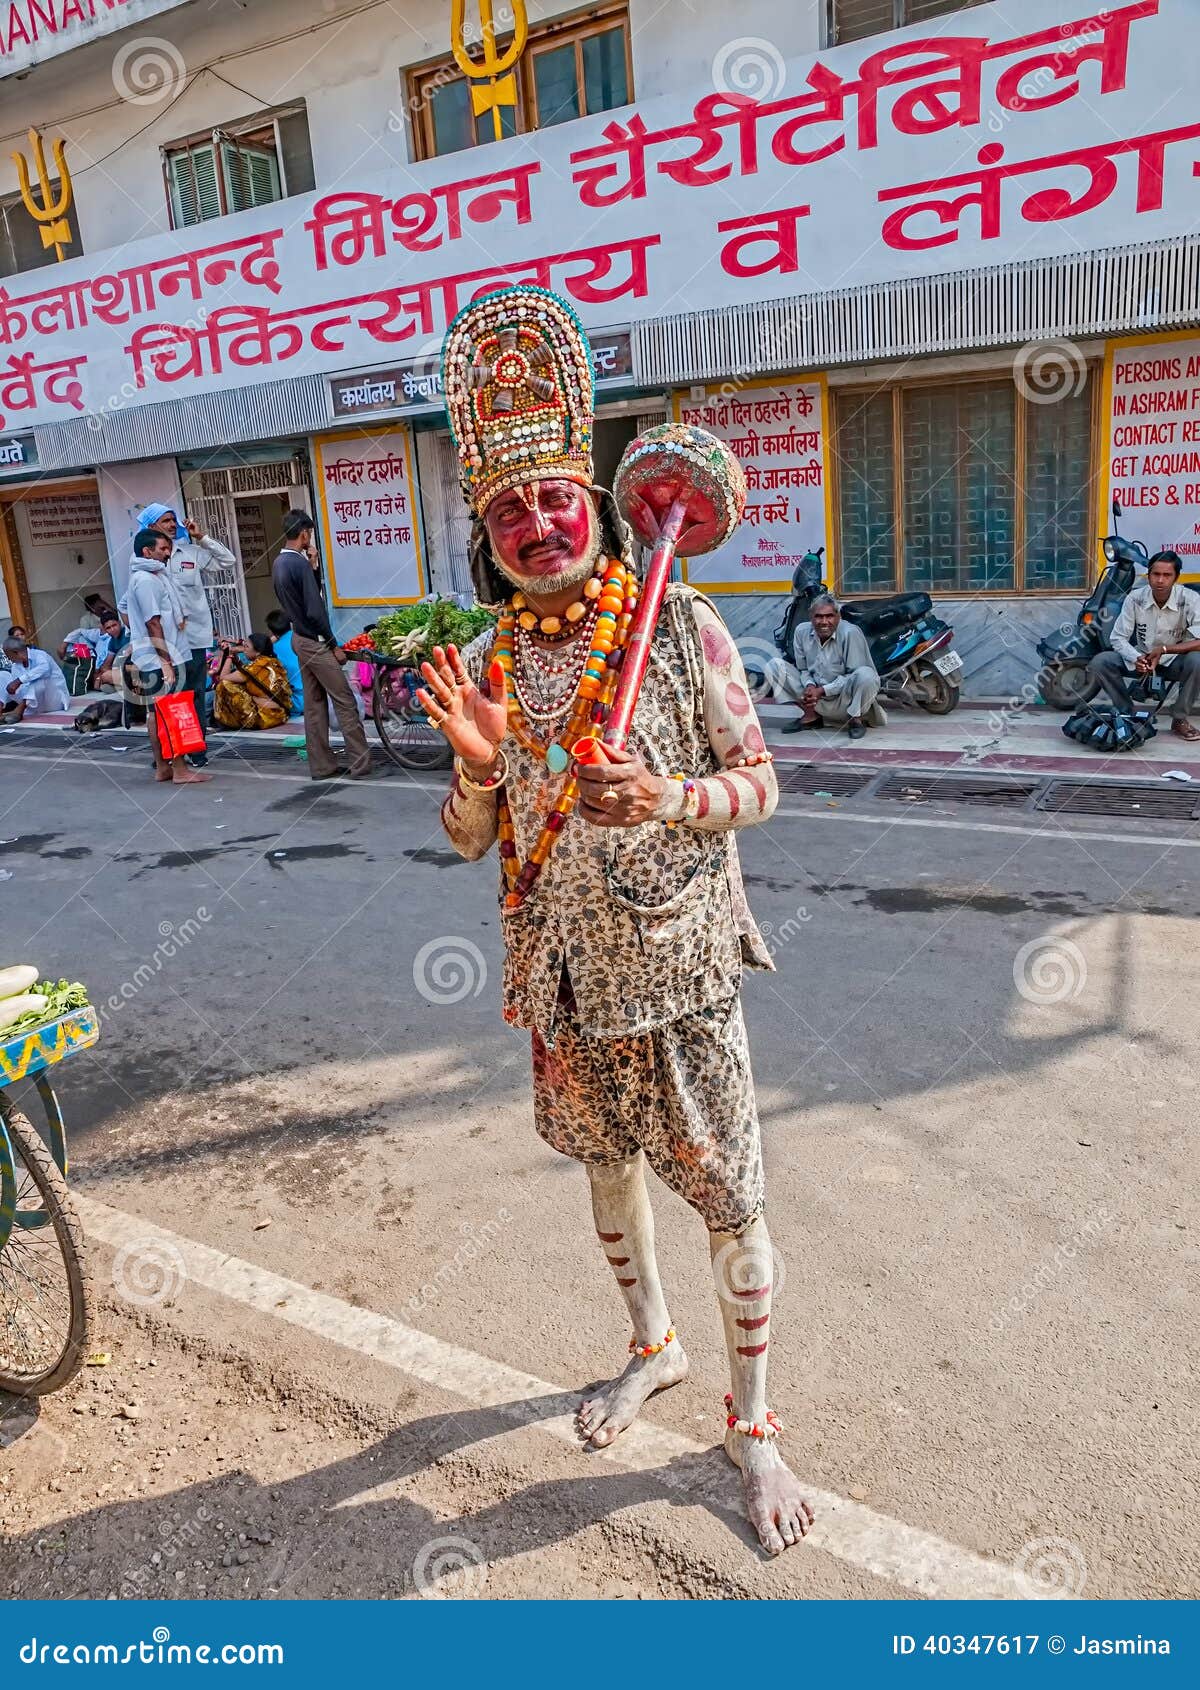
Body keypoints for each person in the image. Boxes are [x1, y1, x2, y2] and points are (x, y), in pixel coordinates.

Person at [423, 284, 812, 1558]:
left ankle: (751, 1427)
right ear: (489, 532)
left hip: (682, 966)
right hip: (562, 977)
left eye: (553, 498)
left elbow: (762, 783)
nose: (536, 524)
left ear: (594, 504)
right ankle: (649, 1346)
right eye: (508, 508)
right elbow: (469, 837)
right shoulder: (488, 656)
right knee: (604, 1171)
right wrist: (481, 770)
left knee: (731, 1202)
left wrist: (667, 794)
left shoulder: (685, 623)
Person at [135, 502, 238, 767]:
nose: (172, 525)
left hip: (194, 638)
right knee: (166, 700)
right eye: (165, 520)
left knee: (194, 695)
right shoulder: (144, 564)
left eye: (173, 520)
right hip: (165, 645)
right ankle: (169, 753)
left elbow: (228, 560)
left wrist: (201, 537)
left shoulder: (189, 552)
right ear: (151, 527)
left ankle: (197, 750)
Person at [270, 510, 372, 780]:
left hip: (298, 637)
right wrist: (332, 644)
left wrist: (313, 568)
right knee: (344, 700)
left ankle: (322, 766)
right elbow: (315, 610)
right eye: (309, 534)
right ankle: (360, 763)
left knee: (314, 705)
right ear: (303, 533)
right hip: (314, 641)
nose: (309, 539)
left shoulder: (280, 563)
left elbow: (304, 599)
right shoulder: (297, 564)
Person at [124, 528, 210, 785]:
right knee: (171, 712)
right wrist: (165, 661)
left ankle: (163, 767)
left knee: (157, 712)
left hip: (158, 655)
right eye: (162, 549)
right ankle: (181, 770)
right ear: (146, 551)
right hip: (161, 657)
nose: (167, 553)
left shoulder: (150, 576)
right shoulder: (147, 580)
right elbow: (153, 623)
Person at [1089, 550, 1200, 742]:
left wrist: (1164, 650)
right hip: (1142, 659)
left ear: (1176, 577)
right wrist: (1136, 658)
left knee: (1197, 660)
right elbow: (1118, 638)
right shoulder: (1135, 598)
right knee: (1101, 661)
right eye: (1155, 574)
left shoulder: (1189, 599)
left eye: (1167, 575)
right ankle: (1127, 713)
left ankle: (1180, 718)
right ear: (1148, 575)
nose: (1160, 580)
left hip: (1174, 661)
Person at [784, 593, 884, 740]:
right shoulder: (801, 631)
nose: (824, 622)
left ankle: (855, 720)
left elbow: (856, 674)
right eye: (818, 616)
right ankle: (811, 716)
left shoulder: (850, 632)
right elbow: (803, 669)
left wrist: (823, 690)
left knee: (867, 675)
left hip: (846, 699)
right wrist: (810, 685)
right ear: (810, 616)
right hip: (815, 699)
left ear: (838, 617)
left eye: (829, 616)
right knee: (775, 667)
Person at [211, 633, 292, 730]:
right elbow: (247, 675)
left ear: (258, 652)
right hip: (281, 715)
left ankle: (230, 722)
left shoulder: (256, 666)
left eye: (246, 646)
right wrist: (237, 662)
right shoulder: (271, 661)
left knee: (224, 685)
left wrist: (229, 656)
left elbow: (223, 677)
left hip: (265, 717)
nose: (244, 650)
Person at [1, 633, 70, 718]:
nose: (8, 659)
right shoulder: (15, 666)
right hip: (34, 706)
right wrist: (13, 688)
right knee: (3, 675)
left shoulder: (40, 655)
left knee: (39, 678)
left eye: (8, 656)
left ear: (16, 653)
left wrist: (19, 681)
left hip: (54, 702)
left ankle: (20, 709)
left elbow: (44, 670)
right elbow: (20, 689)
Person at [265, 610, 304, 717]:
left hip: (296, 703)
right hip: (317, 698)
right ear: (290, 624)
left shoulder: (273, 650)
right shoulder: (304, 638)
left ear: (271, 631)